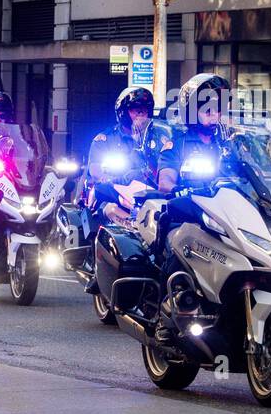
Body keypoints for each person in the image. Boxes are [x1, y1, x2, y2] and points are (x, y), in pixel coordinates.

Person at [151, 74, 231, 271]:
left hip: (226, 215)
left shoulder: (229, 145)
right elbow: (165, 181)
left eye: (218, 110)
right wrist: (179, 189)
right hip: (190, 213)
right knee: (175, 247)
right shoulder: (177, 144)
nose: (215, 115)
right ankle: (167, 293)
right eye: (208, 110)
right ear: (192, 111)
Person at [87, 86, 161, 223]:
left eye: (145, 109)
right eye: (135, 109)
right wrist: (110, 179)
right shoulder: (105, 139)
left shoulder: (158, 138)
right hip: (116, 191)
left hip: (151, 193)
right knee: (106, 208)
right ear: (123, 113)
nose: (141, 113)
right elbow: (96, 171)